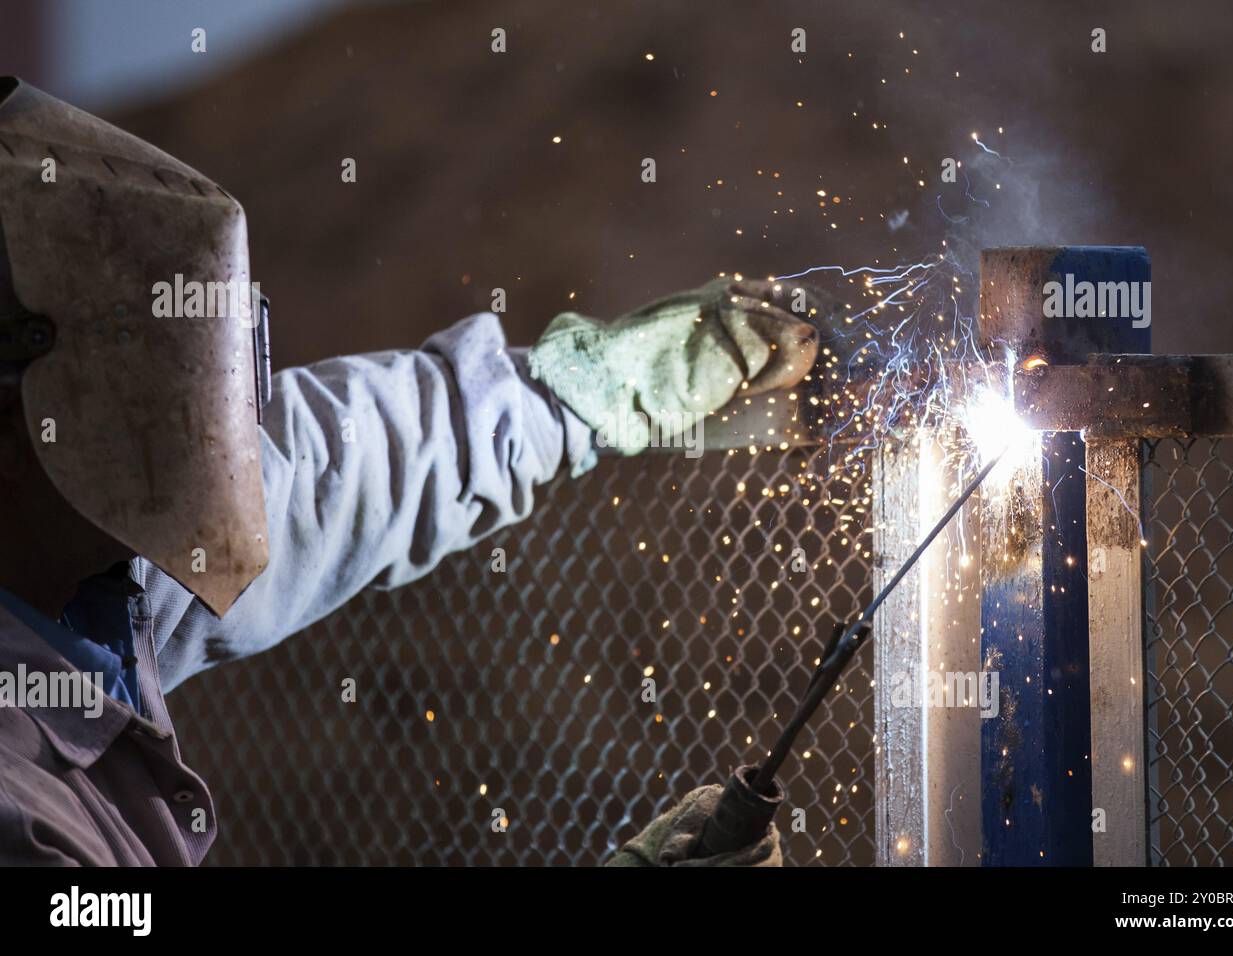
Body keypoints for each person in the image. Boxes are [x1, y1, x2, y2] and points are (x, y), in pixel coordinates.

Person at [0, 78, 814, 866]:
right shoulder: (22, 811)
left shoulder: (87, 582)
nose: (199, 442)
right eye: (147, 393)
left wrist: (588, 391)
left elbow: (337, 467)